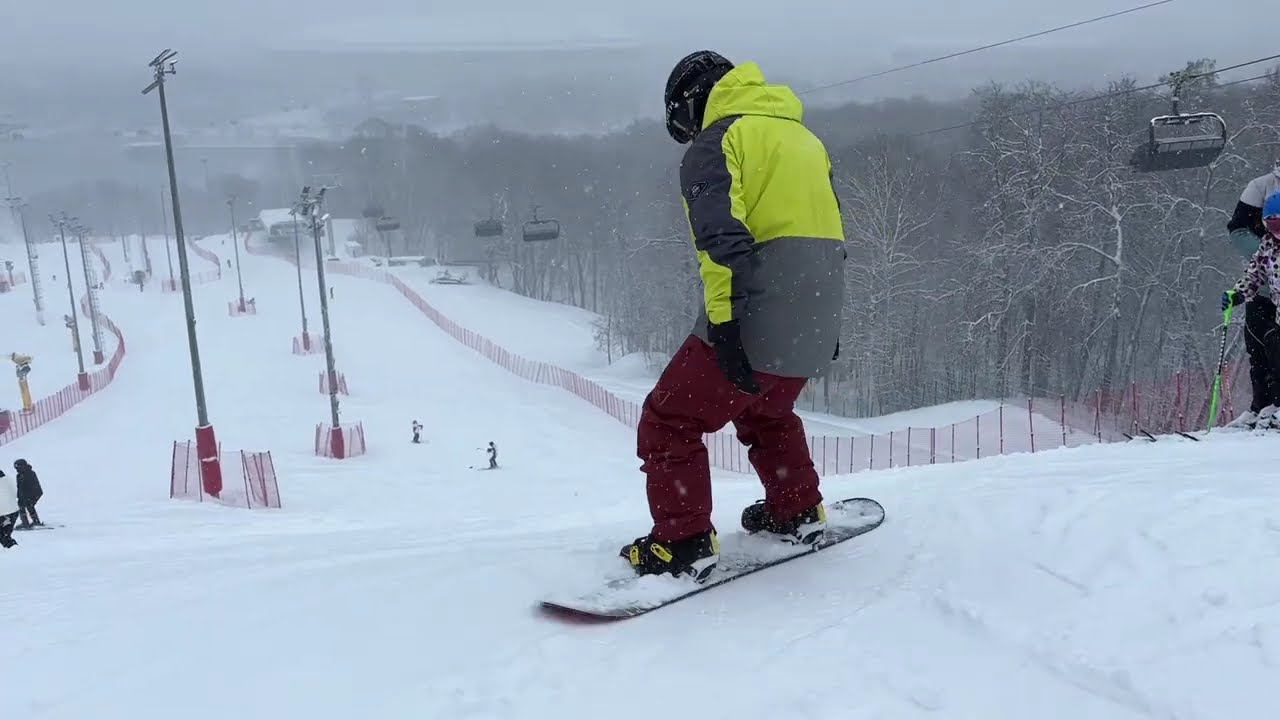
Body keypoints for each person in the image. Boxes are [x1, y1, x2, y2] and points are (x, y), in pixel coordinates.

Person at [618, 51, 846, 582]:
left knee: (669, 420)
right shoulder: (805, 140)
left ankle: (682, 543)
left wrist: (726, 327)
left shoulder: (717, 142)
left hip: (754, 311)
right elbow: (830, 235)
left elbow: (721, 242)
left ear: (694, 100)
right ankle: (797, 509)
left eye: (682, 121)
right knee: (766, 411)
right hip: (815, 316)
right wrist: (826, 321)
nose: (687, 131)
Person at [1226, 165, 1280, 427]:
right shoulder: (1268, 245)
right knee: (1262, 345)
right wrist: (1237, 294)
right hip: (1272, 305)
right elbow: (1255, 272)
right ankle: (1265, 404)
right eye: (1272, 225)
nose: (1276, 230)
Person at [14, 458, 42, 528]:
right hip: (24, 494)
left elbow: (33, 486)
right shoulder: (19, 475)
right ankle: (27, 522)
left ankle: (32, 522)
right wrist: (19, 496)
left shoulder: (30, 473)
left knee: (28, 505)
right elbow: (19, 487)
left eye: (17, 467)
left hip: (34, 493)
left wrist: (26, 497)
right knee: (23, 505)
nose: (16, 469)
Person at [0, 468, 18, 548]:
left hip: (2, 512)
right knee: (6, 535)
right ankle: (14, 549)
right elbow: (15, 493)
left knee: (2, 536)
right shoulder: (8, 479)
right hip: (13, 511)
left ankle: (11, 549)